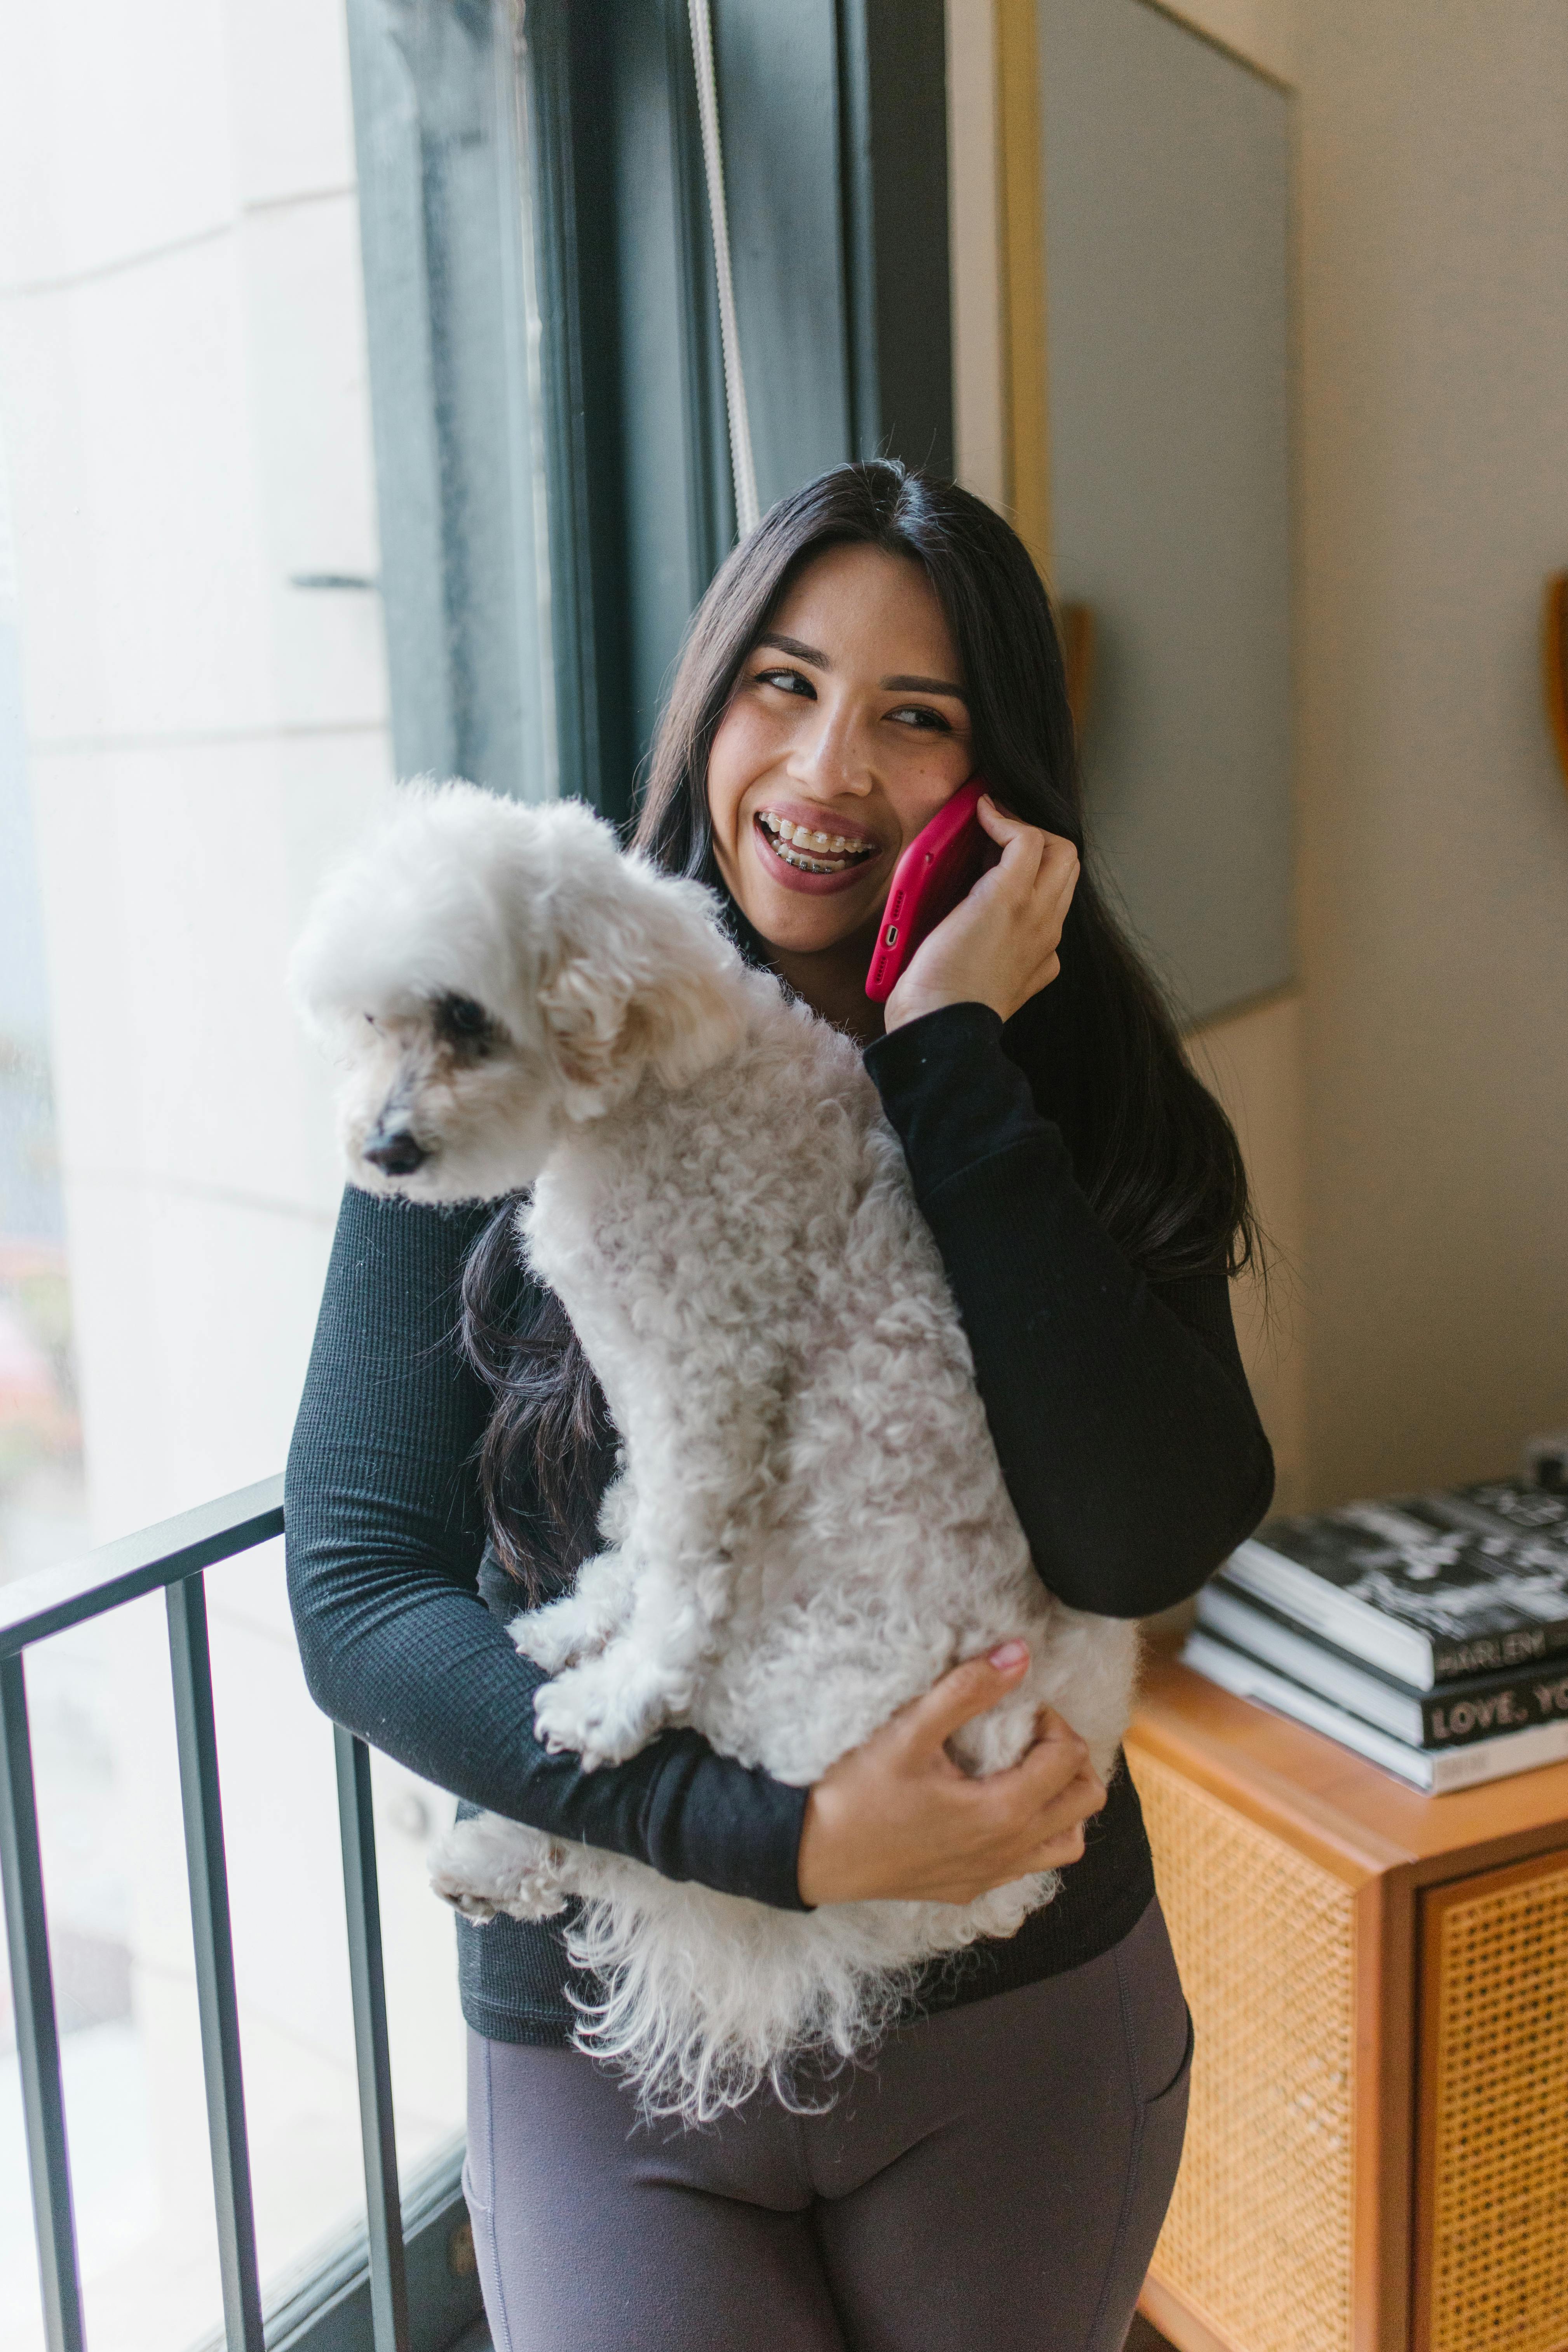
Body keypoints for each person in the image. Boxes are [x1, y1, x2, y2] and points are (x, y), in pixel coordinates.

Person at [286, 461, 1274, 2352]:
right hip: (613, 2025)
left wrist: (951, 1061)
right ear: (710, 698)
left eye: (918, 718)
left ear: (1001, 783)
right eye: (784, 683)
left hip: (1016, 2006)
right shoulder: (498, 1032)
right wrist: (776, 1836)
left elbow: (1141, 1532)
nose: (827, 771)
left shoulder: (1088, 1089)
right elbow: (354, 1582)